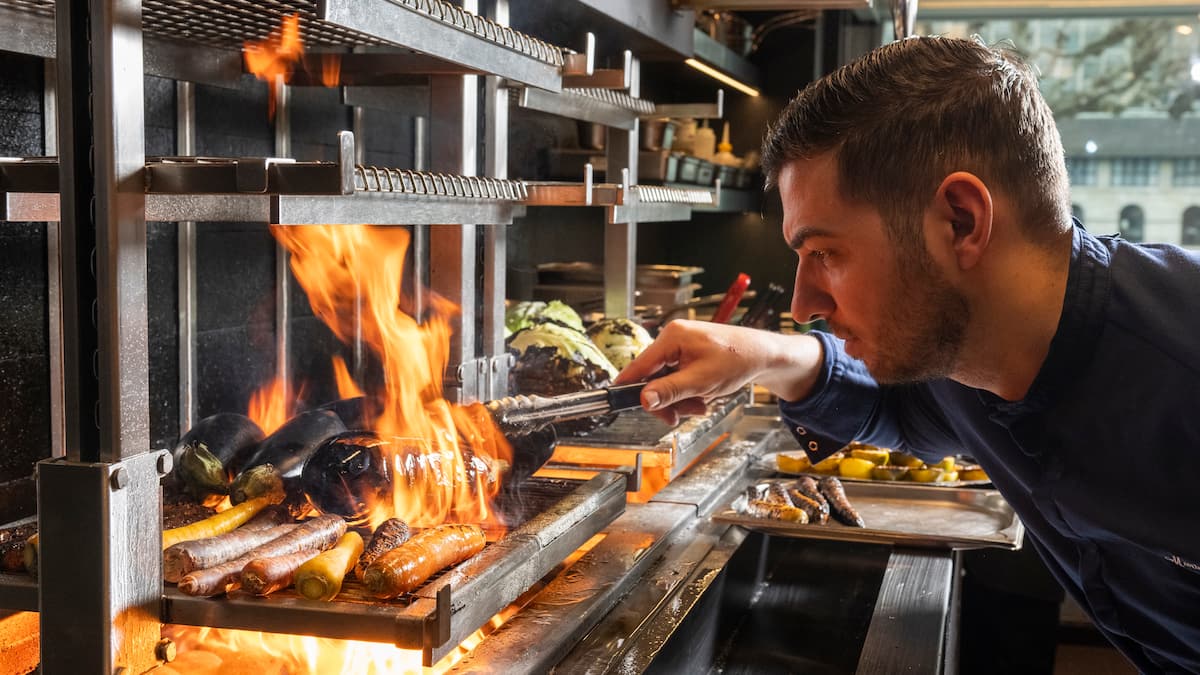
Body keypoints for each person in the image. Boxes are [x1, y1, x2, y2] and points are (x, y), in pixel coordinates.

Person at [615, 36, 1200, 673]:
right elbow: (906, 413)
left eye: (826, 253)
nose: (804, 303)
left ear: (960, 221)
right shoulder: (974, 345)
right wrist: (769, 356)